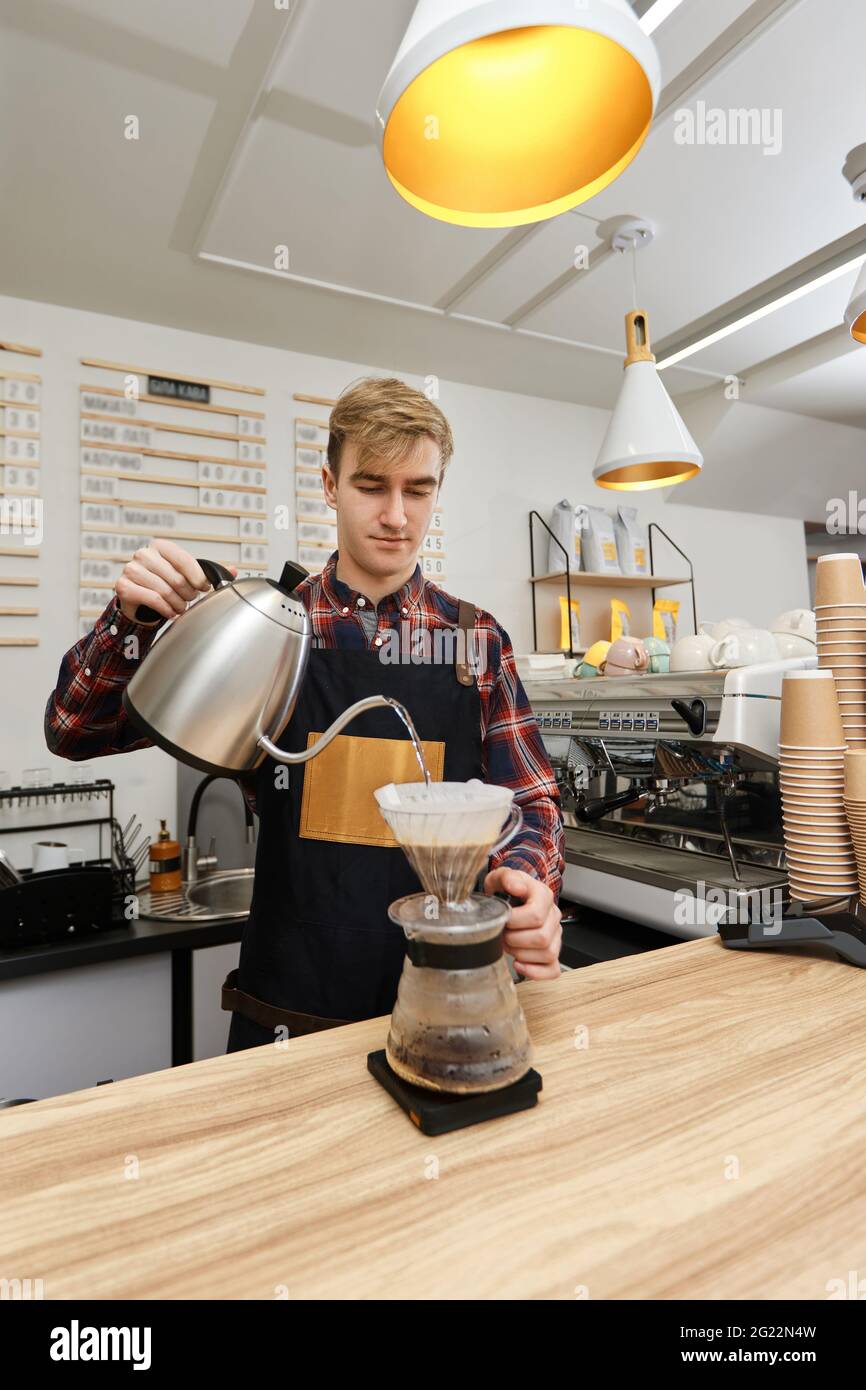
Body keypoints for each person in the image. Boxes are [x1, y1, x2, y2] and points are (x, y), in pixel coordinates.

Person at [46, 377, 565, 1051]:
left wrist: (527, 881)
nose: (397, 516)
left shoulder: (476, 641)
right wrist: (131, 623)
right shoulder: (266, 628)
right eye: (372, 485)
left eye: (419, 489)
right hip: (285, 1018)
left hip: (446, 1012)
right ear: (329, 484)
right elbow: (74, 730)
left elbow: (532, 802)